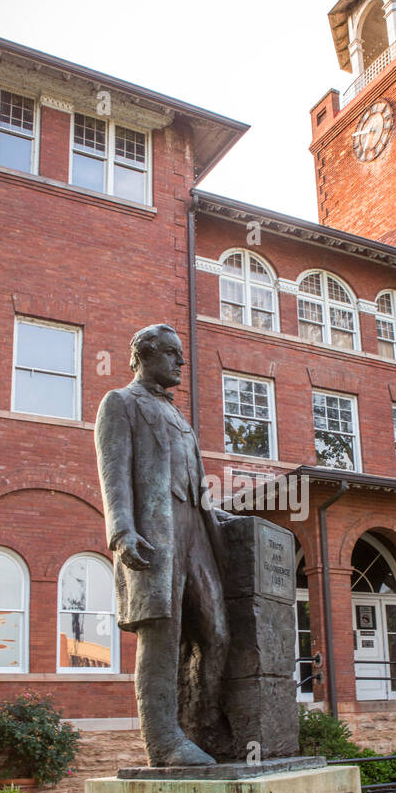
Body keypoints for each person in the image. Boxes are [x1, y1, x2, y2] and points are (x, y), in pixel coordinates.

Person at [95, 323, 229, 765]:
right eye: (172, 353)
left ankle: (202, 727)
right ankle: (164, 743)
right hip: (155, 533)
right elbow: (113, 471)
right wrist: (121, 529)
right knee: (161, 637)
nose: (181, 363)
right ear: (146, 354)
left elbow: (195, 482)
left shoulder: (178, 416)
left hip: (194, 532)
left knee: (216, 631)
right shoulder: (120, 403)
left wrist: (220, 517)